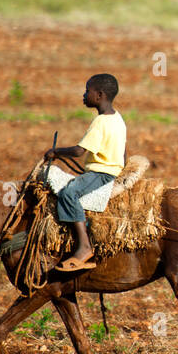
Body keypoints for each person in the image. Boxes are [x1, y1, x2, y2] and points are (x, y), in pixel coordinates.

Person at [43, 73, 126, 272]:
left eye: (87, 90)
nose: (83, 94)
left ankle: (84, 247)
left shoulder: (101, 122)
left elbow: (80, 151)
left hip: (101, 174)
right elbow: (124, 149)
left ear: (99, 95)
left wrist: (55, 152)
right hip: (111, 170)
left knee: (69, 193)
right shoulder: (117, 118)